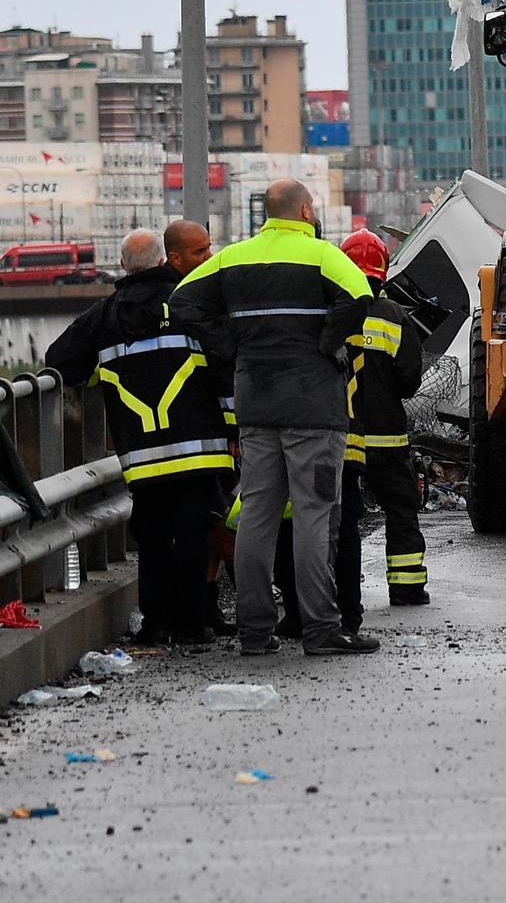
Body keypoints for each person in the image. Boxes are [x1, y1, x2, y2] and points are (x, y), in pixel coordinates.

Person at [170, 179, 379, 656]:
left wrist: (228, 345)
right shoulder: (323, 256)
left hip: (256, 402)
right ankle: (321, 630)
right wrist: (327, 343)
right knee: (313, 513)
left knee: (258, 515)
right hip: (314, 406)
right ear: (305, 210)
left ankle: (255, 632)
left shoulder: (233, 257)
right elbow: (360, 296)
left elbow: (182, 301)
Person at [46, 227, 230, 648]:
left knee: (151, 539)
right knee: (192, 536)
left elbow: (60, 361)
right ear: (165, 261)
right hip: (197, 450)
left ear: (124, 267)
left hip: (142, 456)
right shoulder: (189, 303)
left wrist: (99, 373)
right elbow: (224, 360)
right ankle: (192, 628)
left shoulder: (105, 316)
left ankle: (155, 626)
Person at [338, 228, 429, 620]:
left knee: (340, 516)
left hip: (339, 438)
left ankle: (341, 593)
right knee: (400, 508)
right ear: (383, 271)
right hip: (387, 438)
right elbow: (410, 382)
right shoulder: (395, 317)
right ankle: (407, 587)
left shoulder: (329, 314)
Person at [165, 218, 237, 637]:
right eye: (199, 252)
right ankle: (239, 609)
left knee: (214, 523)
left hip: (202, 439)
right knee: (218, 524)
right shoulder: (183, 305)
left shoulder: (206, 297)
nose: (208, 258)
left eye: (210, 249)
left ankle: (209, 608)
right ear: (174, 257)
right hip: (203, 440)